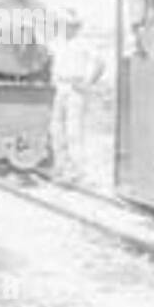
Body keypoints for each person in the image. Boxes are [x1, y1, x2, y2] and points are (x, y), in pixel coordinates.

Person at [49, 10, 103, 182]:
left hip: (75, 88)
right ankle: (61, 166)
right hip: (60, 87)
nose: (65, 28)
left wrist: (88, 82)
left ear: (75, 27)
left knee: (74, 131)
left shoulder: (83, 43)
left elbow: (100, 63)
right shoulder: (58, 43)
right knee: (57, 130)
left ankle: (77, 170)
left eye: (68, 25)